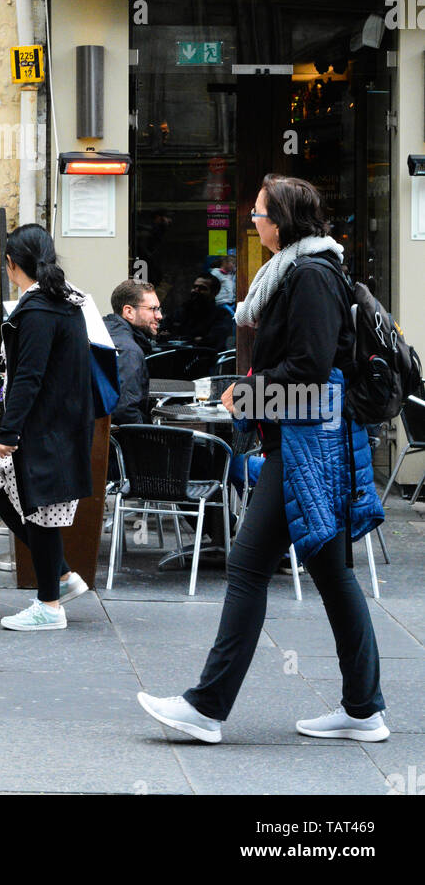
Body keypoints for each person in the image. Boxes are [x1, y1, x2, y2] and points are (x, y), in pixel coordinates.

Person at [137, 174, 387, 744]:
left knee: (249, 566)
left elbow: (310, 371)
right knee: (332, 573)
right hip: (305, 442)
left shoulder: (310, 277)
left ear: (283, 221)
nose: (253, 221)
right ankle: (363, 707)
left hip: (307, 447)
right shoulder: (300, 273)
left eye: (259, 212)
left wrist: (243, 394)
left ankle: (206, 707)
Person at [0, 224, 95, 631]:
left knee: (41, 514)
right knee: (6, 497)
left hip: (45, 428)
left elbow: (28, 377)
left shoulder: (35, 311)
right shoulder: (66, 303)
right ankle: (62, 577)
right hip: (64, 424)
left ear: (12, 265)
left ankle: (49, 604)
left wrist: (7, 434)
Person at [103, 280, 162, 425]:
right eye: (153, 309)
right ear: (129, 311)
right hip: (117, 440)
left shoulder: (105, 330)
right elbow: (124, 410)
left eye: (159, 309)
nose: (159, 316)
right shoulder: (129, 351)